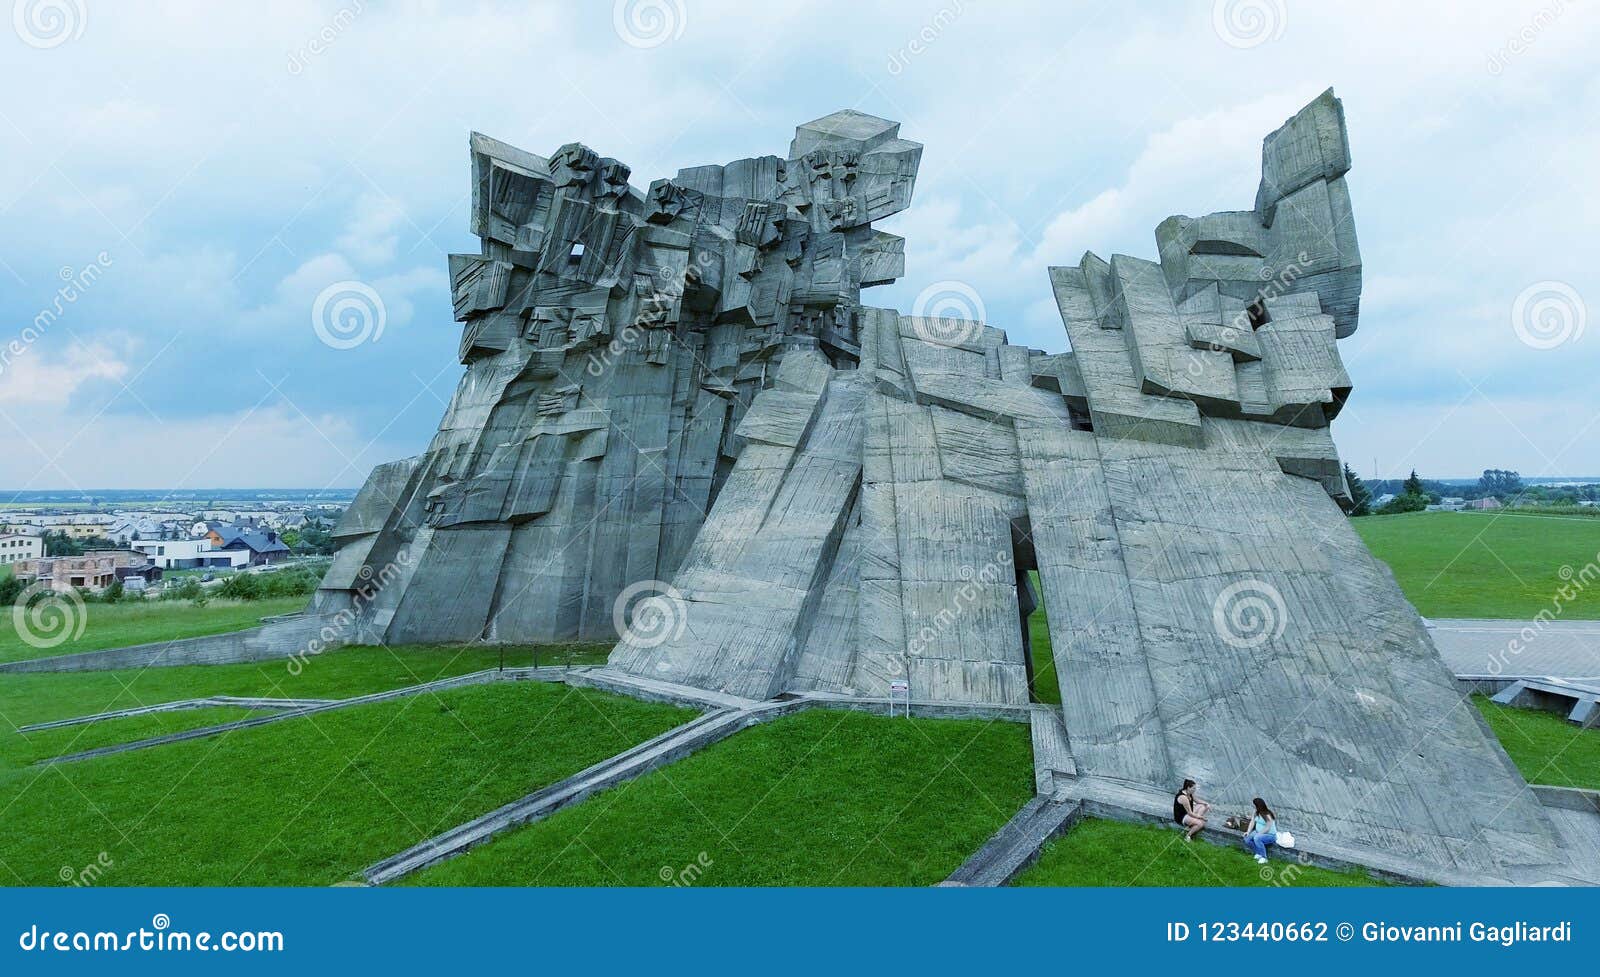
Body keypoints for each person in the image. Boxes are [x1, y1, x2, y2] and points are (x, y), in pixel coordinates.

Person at [1242, 797, 1277, 864]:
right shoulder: (1256, 812)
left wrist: (1259, 834)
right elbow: (1252, 821)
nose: (1253, 806)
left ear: (1258, 806)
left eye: (1254, 805)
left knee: (1257, 838)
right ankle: (1258, 853)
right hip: (1258, 832)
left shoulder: (1267, 815)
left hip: (1270, 835)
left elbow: (1267, 828)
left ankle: (1264, 857)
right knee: (1247, 838)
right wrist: (1248, 831)